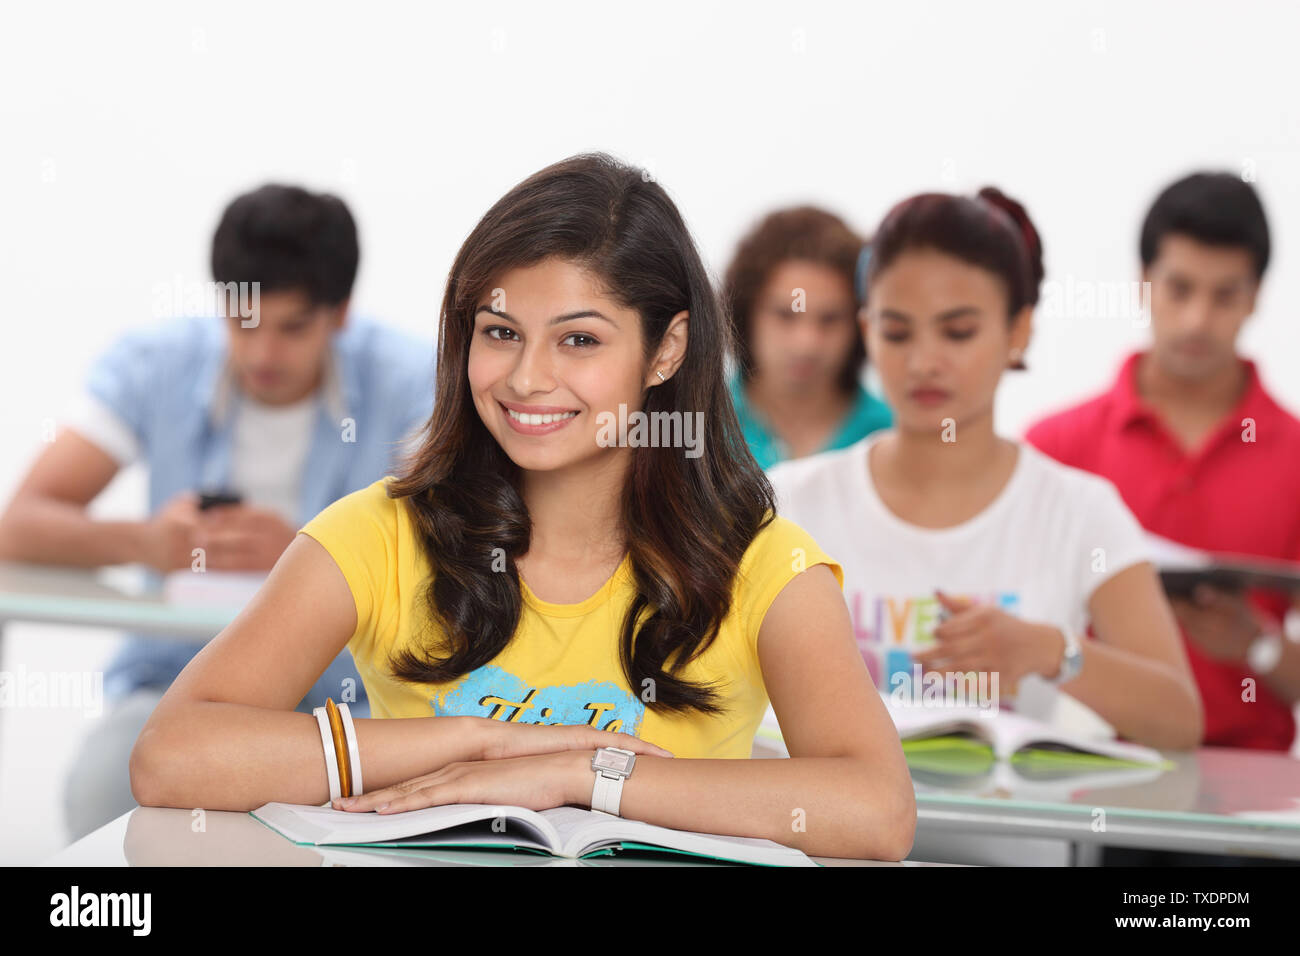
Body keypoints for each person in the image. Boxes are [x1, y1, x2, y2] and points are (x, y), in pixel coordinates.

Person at [128, 153, 916, 862]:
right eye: (500, 332)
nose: (527, 379)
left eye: (579, 341)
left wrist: (581, 775)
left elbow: (879, 811)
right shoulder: (378, 533)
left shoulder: (767, 565)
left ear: (667, 350)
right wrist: (481, 741)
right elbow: (171, 755)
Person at [0, 184, 435, 840]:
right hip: (172, 685)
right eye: (243, 323)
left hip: (352, 700)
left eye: (292, 328)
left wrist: (308, 554)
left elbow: (467, 551)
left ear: (340, 313)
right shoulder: (156, 364)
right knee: (100, 790)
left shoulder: (411, 382)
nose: (262, 355)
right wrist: (146, 543)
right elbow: (18, 525)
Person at [768, 187, 1202, 751]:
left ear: (1018, 331)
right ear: (866, 329)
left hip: (1019, 833)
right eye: (896, 332)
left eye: (958, 331)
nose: (924, 361)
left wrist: (1048, 651)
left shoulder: (1078, 510)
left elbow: (1178, 718)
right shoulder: (793, 502)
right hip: (835, 840)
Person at [1025, 172, 1300, 754]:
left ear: (1255, 297)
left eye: (1224, 294)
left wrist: (1260, 646)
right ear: (1143, 283)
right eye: (1180, 288)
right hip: (1083, 780)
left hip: (1253, 805)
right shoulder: (1057, 446)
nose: (1198, 319)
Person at [723, 206, 891, 468]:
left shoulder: (892, 435)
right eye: (785, 315)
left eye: (830, 318)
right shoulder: (694, 428)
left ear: (863, 324)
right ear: (745, 313)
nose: (807, 343)